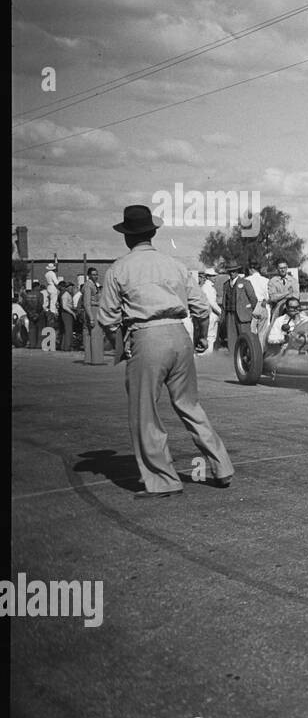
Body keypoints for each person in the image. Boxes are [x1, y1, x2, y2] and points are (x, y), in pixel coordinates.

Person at [97, 205, 234, 499]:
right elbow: (201, 309)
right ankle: (222, 466)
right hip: (179, 335)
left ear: (126, 237)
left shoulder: (119, 268)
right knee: (189, 405)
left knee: (144, 413)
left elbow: (107, 318)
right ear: (153, 232)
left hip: (146, 337)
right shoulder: (174, 264)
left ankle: (163, 480)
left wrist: (122, 347)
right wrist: (199, 339)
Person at [198, 268, 222, 357]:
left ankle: (208, 353)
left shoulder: (209, 287)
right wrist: (221, 312)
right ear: (208, 277)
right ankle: (207, 354)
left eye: (215, 275)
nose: (215, 277)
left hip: (212, 314)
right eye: (212, 276)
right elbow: (212, 302)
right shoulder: (207, 287)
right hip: (210, 313)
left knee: (212, 336)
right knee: (210, 335)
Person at [245, 259, 269, 335]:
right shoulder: (266, 280)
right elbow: (268, 296)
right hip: (263, 305)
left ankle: (253, 346)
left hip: (251, 306)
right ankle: (261, 347)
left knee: (251, 332)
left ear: (251, 269)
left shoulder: (246, 280)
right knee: (262, 332)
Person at [58, 281, 77, 351]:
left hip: (67, 313)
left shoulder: (67, 294)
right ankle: (68, 346)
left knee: (66, 331)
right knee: (69, 330)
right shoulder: (65, 295)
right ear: (67, 287)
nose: (71, 289)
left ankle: (64, 346)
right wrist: (72, 313)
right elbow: (64, 306)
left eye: (72, 287)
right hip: (66, 313)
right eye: (70, 287)